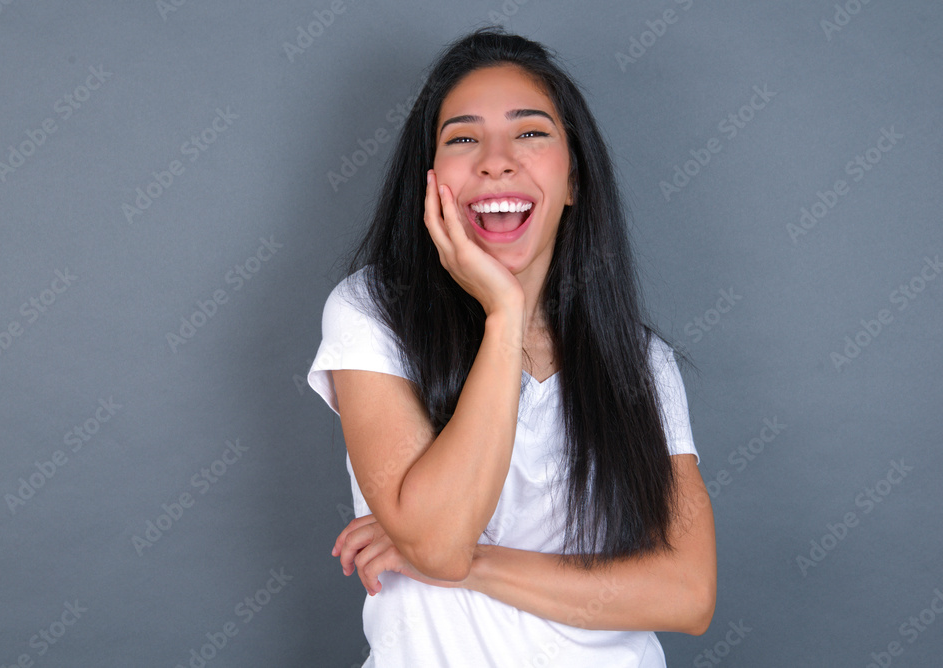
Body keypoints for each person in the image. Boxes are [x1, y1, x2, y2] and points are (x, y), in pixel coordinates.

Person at [307, 26, 716, 667]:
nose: (496, 159)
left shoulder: (639, 363)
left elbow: (688, 593)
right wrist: (504, 315)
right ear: (432, 181)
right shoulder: (370, 313)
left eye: (530, 132)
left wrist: (474, 564)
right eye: (463, 138)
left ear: (574, 180)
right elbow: (439, 541)